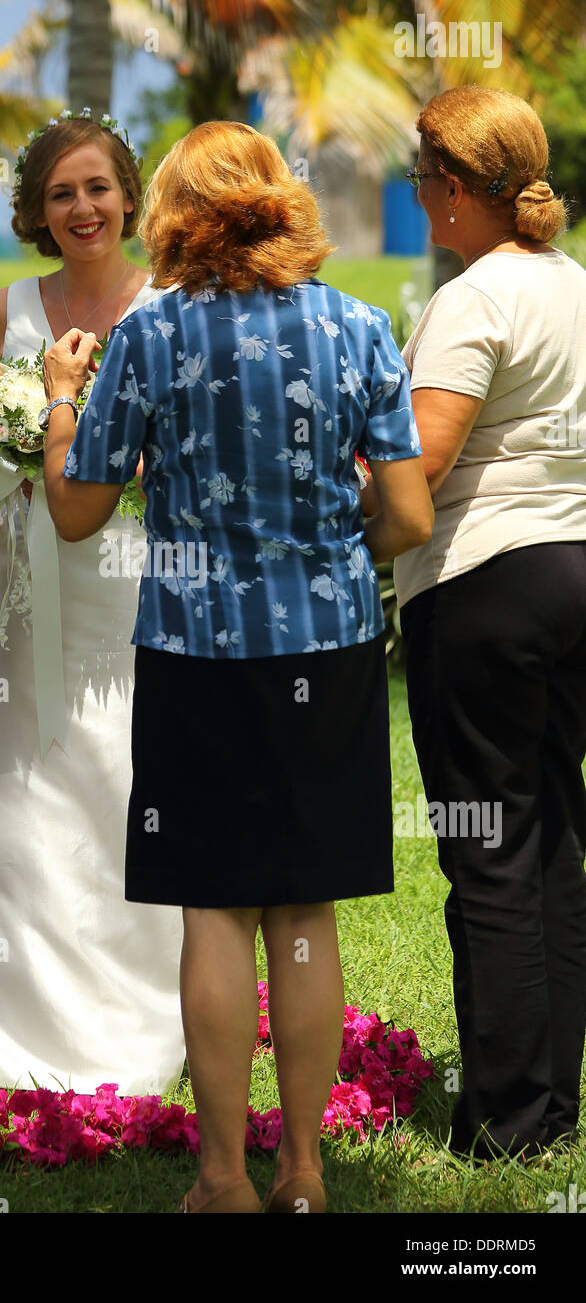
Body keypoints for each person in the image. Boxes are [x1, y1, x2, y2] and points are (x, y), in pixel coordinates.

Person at [42, 120, 433, 1212]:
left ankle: (222, 1177)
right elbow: (405, 512)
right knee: (303, 913)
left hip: (195, 652)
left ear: (169, 209)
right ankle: (304, 1171)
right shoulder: (358, 328)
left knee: (212, 911)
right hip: (330, 649)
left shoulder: (147, 332)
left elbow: (77, 510)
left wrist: (57, 396)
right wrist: (328, 548)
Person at [0, 113, 186, 1095]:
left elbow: (180, 457)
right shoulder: (5, 309)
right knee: (13, 769)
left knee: (119, 771)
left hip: (125, 575)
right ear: (37, 207)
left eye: (97, 188)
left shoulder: (169, 307)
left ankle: (133, 1019)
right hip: (22, 570)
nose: (81, 208)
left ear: (127, 196)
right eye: (61, 192)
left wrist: (92, 452)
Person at [394, 85, 586, 1160]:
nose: (417, 197)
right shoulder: (572, 285)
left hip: (484, 582)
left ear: (459, 189)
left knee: (488, 850)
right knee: (553, 838)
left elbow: (422, 465)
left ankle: (507, 1124)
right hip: (573, 569)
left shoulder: (474, 298)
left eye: (423, 180)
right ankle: (550, 1105)